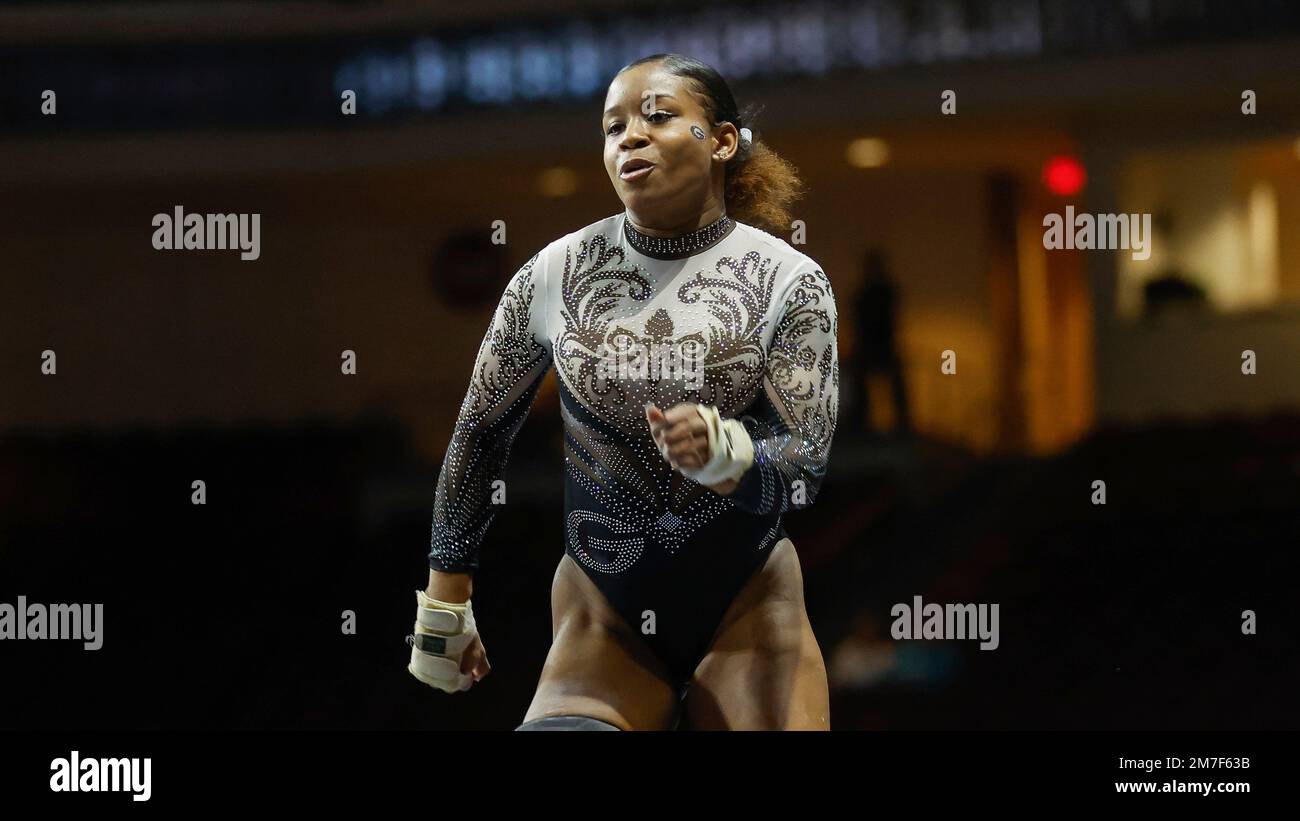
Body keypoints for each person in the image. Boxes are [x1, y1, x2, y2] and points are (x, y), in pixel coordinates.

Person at [407, 53, 840, 730]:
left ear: (722, 140)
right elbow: (480, 433)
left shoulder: (787, 280)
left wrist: (731, 455)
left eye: (658, 116)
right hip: (604, 619)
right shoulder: (554, 274)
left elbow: (805, 464)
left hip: (748, 611)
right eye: (613, 127)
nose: (629, 137)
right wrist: (443, 605)